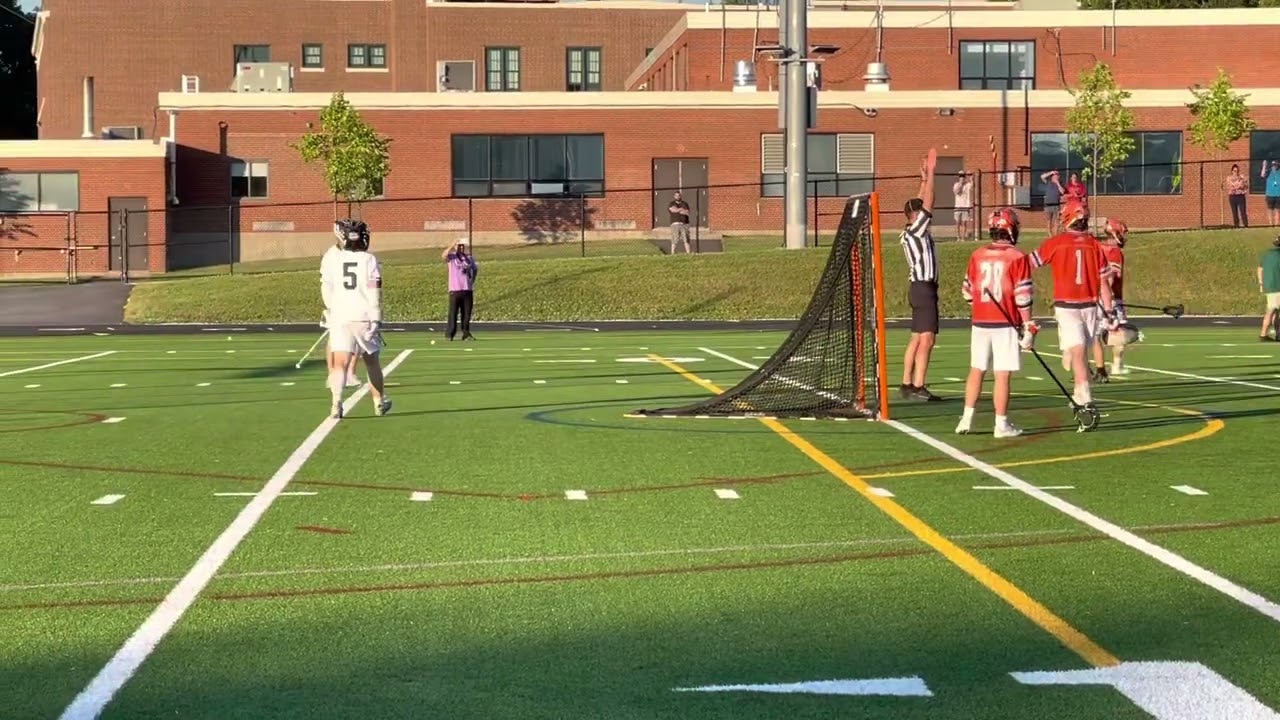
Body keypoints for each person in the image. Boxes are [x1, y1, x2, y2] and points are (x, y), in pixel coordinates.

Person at [1029, 196, 1119, 420]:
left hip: (1068, 305)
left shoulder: (1057, 242)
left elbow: (1030, 262)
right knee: (1081, 351)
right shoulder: (1093, 245)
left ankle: (1086, 397)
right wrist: (1110, 310)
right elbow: (1104, 282)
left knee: (1077, 352)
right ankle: (1080, 394)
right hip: (1089, 305)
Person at [956, 208, 1037, 438]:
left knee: (976, 369)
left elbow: (967, 293)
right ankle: (1001, 424)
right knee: (1002, 374)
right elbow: (1023, 296)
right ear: (1010, 228)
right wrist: (1028, 325)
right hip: (1005, 323)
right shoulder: (1017, 257)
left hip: (981, 321)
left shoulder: (977, 254)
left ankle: (966, 419)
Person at [320, 219, 392, 420]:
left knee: (339, 364)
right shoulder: (369, 259)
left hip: (341, 316)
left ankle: (336, 403)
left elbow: (326, 286)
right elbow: (374, 290)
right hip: (363, 316)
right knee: (372, 362)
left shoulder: (334, 258)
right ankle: (379, 402)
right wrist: (376, 317)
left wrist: (331, 309)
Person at [899, 147, 942, 402]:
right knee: (928, 339)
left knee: (916, 338)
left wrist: (923, 179)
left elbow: (919, 203)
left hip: (918, 287)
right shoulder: (917, 230)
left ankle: (906, 382)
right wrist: (933, 176)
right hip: (924, 288)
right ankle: (918, 385)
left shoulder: (909, 231)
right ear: (915, 216)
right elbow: (928, 203)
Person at [1091, 218, 1130, 381]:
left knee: (1095, 334)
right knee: (1118, 331)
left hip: (1095, 296)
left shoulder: (1097, 247)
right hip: (1111, 297)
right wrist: (1111, 297)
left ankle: (1095, 368)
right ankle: (1117, 365)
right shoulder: (1114, 252)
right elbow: (1111, 277)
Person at [320, 239, 361, 389]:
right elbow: (327, 282)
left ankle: (351, 372)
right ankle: (332, 373)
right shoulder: (332, 255)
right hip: (336, 300)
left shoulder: (358, 254)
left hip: (354, 301)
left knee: (357, 338)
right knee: (335, 338)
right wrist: (331, 305)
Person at [443, 237, 478, 341]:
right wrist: (453, 244)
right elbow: (444, 255)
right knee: (453, 313)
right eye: (459, 246)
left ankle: (466, 333)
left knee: (466, 313)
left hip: (467, 289)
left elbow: (475, 269)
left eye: (462, 246)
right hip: (455, 290)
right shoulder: (452, 258)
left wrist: (472, 280)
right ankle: (450, 334)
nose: (461, 248)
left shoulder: (469, 258)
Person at [1258, 235, 1280, 341]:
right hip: (1278, 286)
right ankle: (1277, 333)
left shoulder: (1267, 255)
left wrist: (1261, 284)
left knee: (1272, 310)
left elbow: (1260, 269)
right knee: (1274, 312)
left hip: (1270, 287)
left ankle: (1264, 334)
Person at [1040, 170, 1065, 235]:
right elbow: (1042, 177)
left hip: (1056, 205)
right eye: (1055, 175)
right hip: (1048, 205)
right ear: (1052, 176)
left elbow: (1062, 192)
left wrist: (1057, 183)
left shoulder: (1060, 184)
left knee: (1056, 221)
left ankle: (1055, 235)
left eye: (1058, 175)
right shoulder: (1048, 182)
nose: (1057, 176)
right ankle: (1050, 235)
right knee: (1049, 221)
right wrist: (1051, 172)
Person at [952, 171, 974, 241]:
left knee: (964, 223)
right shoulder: (956, 185)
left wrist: (971, 178)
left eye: (963, 176)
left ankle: (963, 237)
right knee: (957, 222)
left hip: (965, 206)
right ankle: (958, 236)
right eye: (960, 176)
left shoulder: (968, 185)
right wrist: (961, 184)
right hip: (958, 206)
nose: (962, 178)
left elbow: (972, 185)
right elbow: (957, 192)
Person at [1226, 163, 1249, 228]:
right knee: (1234, 212)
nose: (1236, 172)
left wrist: (1241, 185)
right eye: (1234, 171)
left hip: (1240, 196)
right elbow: (1230, 186)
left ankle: (1245, 225)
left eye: (1237, 171)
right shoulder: (1229, 178)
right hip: (1232, 196)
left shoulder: (1242, 177)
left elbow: (1245, 185)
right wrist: (1239, 185)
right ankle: (1236, 225)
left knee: (1243, 211)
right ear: (1232, 171)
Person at [1263, 160, 1280, 226]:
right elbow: (1262, 175)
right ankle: (1270, 224)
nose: (1274, 166)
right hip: (1270, 194)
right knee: (1270, 210)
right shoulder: (1268, 172)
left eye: (1275, 165)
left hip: (1278, 194)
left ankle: (1276, 224)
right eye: (1273, 165)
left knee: (1277, 210)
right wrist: (1264, 165)